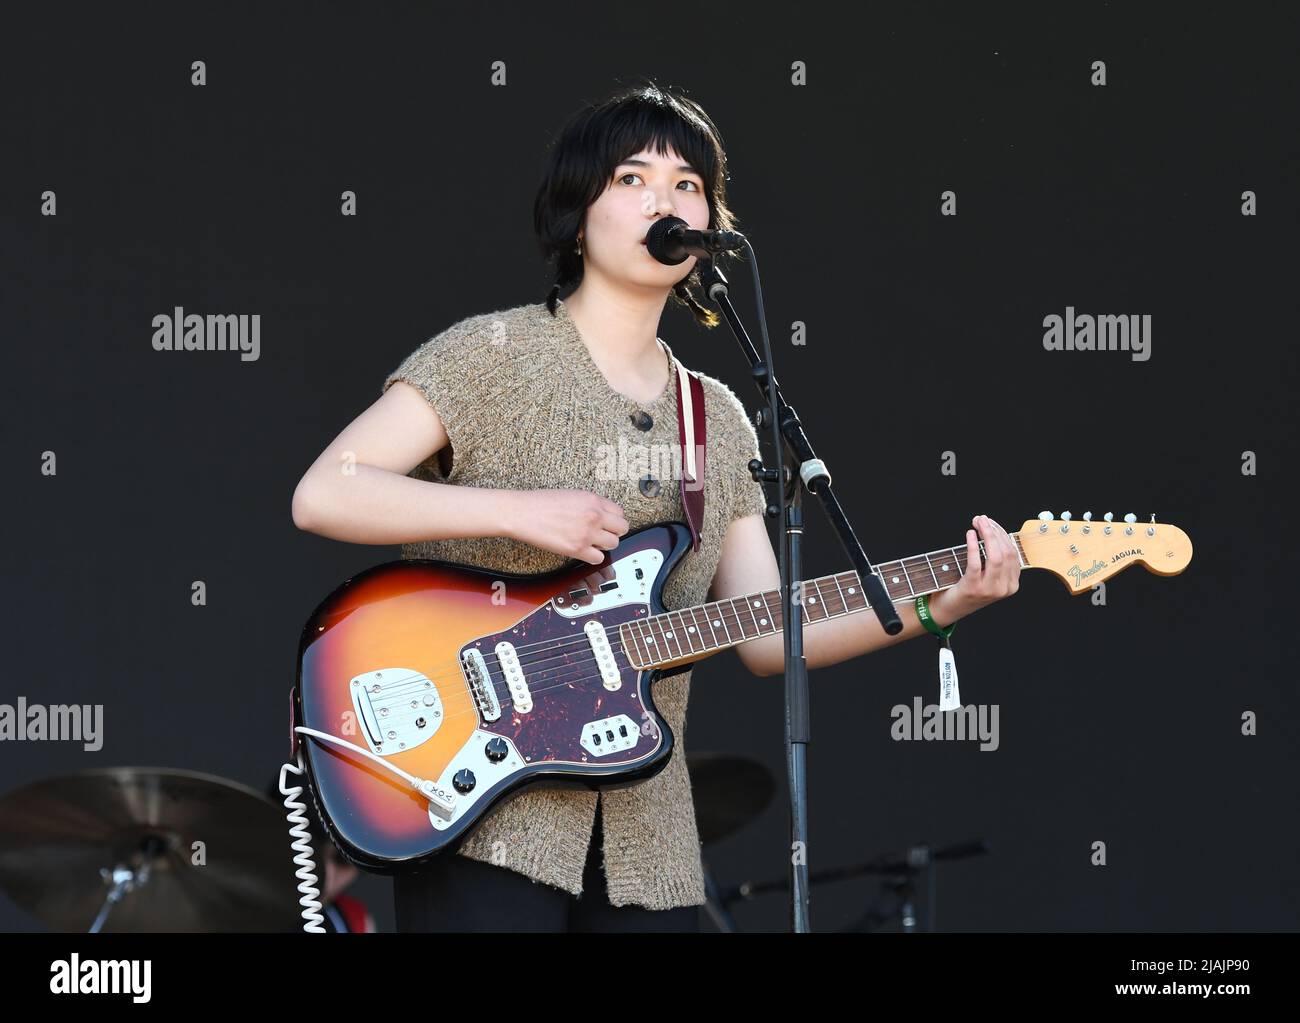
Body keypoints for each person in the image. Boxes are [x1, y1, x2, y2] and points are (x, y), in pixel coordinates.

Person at [289, 79, 1021, 933]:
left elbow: (764, 633)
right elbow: (325, 490)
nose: (663, 200)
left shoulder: (719, 414)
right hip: (487, 812)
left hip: (650, 839)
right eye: (631, 178)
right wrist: (518, 513)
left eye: (687, 185)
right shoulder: (494, 354)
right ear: (578, 212)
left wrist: (943, 603)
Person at [264, 777, 376, 933]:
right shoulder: (227, 906)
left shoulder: (355, 921)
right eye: (308, 850)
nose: (325, 877)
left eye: (342, 860)